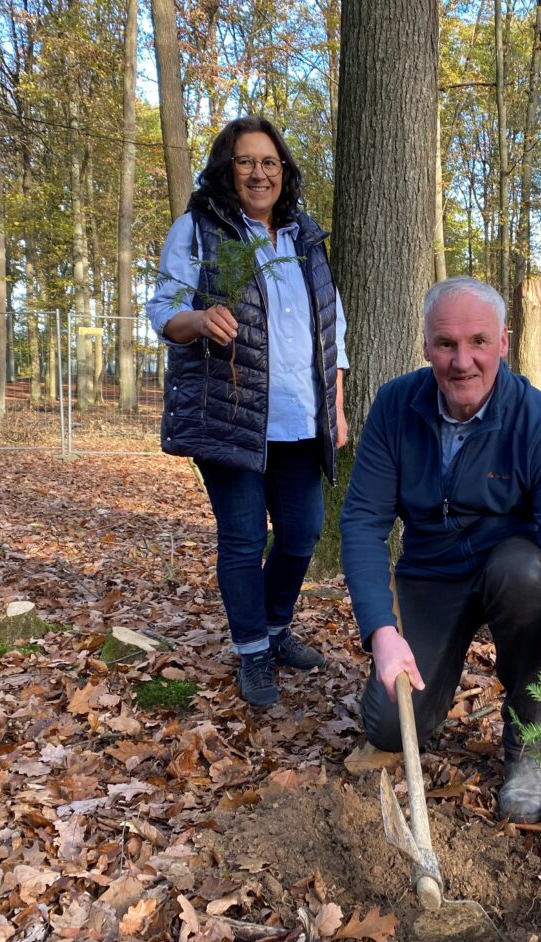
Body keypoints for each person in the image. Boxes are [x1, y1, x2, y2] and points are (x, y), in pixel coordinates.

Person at [341, 277, 541, 824]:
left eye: (478, 342)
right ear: (425, 347)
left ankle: (530, 743)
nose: (463, 362)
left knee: (526, 569)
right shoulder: (395, 407)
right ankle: (421, 681)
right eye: (446, 344)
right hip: (430, 576)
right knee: (388, 724)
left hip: (513, 576)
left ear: (503, 342)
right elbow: (363, 523)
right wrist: (382, 634)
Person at [146, 116, 348, 709]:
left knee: (303, 532)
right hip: (230, 411)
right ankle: (252, 651)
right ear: (225, 169)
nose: (259, 173)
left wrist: (333, 409)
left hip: (299, 418)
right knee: (241, 538)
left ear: (284, 172)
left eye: (270, 162)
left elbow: (334, 329)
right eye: (245, 162)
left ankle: (277, 628)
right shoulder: (200, 231)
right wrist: (199, 320)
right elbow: (163, 308)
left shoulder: (304, 238)